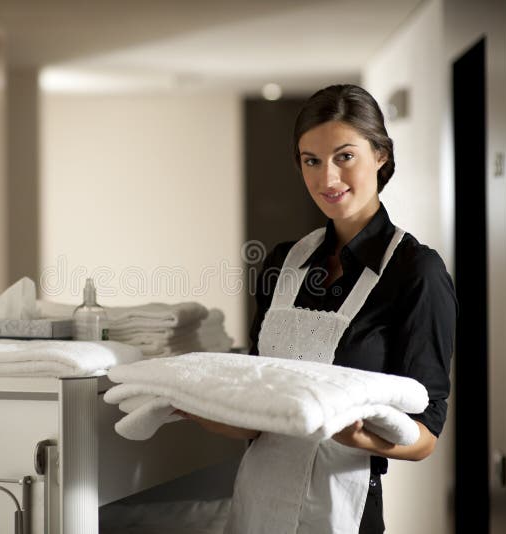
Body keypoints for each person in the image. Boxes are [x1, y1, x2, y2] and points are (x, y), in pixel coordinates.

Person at [180, 84, 457, 533]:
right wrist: (201, 406)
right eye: (312, 161)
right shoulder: (284, 261)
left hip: (342, 508)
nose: (327, 179)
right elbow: (260, 411)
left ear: (381, 155)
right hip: (257, 502)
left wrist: (357, 436)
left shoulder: (416, 272)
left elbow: (425, 436)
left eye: (344, 156)